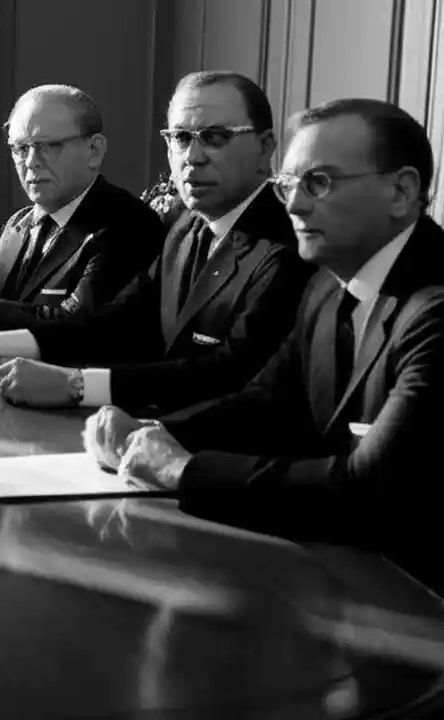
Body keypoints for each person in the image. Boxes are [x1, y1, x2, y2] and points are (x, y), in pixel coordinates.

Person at [90, 99, 443, 593]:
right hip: (332, 570)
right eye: (288, 185)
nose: (294, 205)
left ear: (402, 191)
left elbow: (366, 488)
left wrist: (182, 469)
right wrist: (151, 434)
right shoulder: (326, 283)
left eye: (318, 182)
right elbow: (266, 401)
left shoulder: (435, 308)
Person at [0, 72, 314, 416]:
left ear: (266, 147)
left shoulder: (288, 244)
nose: (192, 156)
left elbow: (230, 371)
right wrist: (2, 345)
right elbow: (119, 320)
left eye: (215, 136)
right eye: (181, 138)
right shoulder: (185, 226)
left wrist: (76, 385)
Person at [0, 84, 163, 330]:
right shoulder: (19, 223)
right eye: (20, 148)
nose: (30, 162)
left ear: (94, 150)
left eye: (47, 146)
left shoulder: (129, 226)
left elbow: (81, 327)